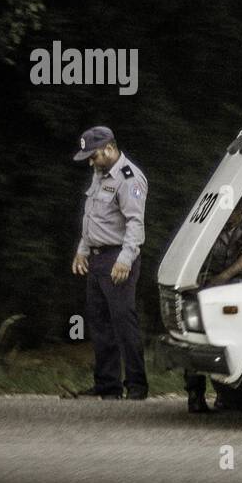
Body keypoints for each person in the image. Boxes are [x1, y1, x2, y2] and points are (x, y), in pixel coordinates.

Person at [70, 126, 149, 400]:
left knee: (123, 322)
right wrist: (83, 248)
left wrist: (125, 260)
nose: (91, 162)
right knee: (100, 323)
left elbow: (135, 224)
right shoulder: (100, 173)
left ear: (109, 149)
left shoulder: (130, 179)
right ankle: (107, 386)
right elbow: (91, 215)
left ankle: (137, 385)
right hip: (96, 258)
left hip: (118, 258)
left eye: (94, 156)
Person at [184, 194, 242, 413]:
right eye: (224, 216)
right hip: (204, 273)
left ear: (241, 210)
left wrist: (223, 278)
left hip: (239, 276)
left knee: (230, 333)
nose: (227, 221)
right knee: (197, 335)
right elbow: (193, 245)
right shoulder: (207, 207)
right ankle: (195, 393)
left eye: (232, 216)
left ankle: (226, 394)